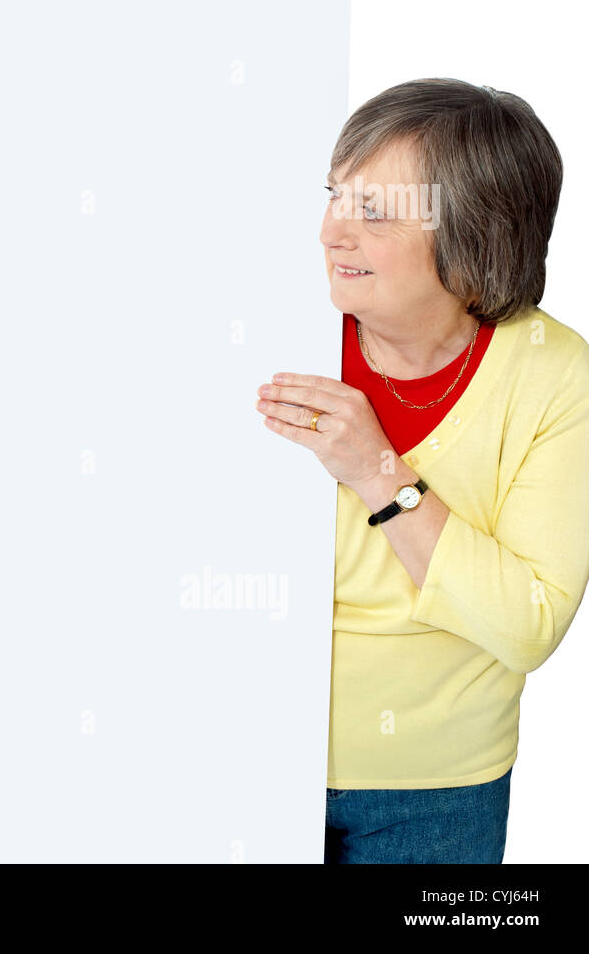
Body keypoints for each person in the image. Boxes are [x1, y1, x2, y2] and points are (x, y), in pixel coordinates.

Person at [254, 77, 589, 863]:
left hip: (438, 792)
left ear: (476, 238)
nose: (334, 230)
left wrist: (378, 472)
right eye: (336, 194)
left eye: (374, 212)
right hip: (245, 754)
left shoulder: (554, 372)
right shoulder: (271, 325)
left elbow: (530, 621)